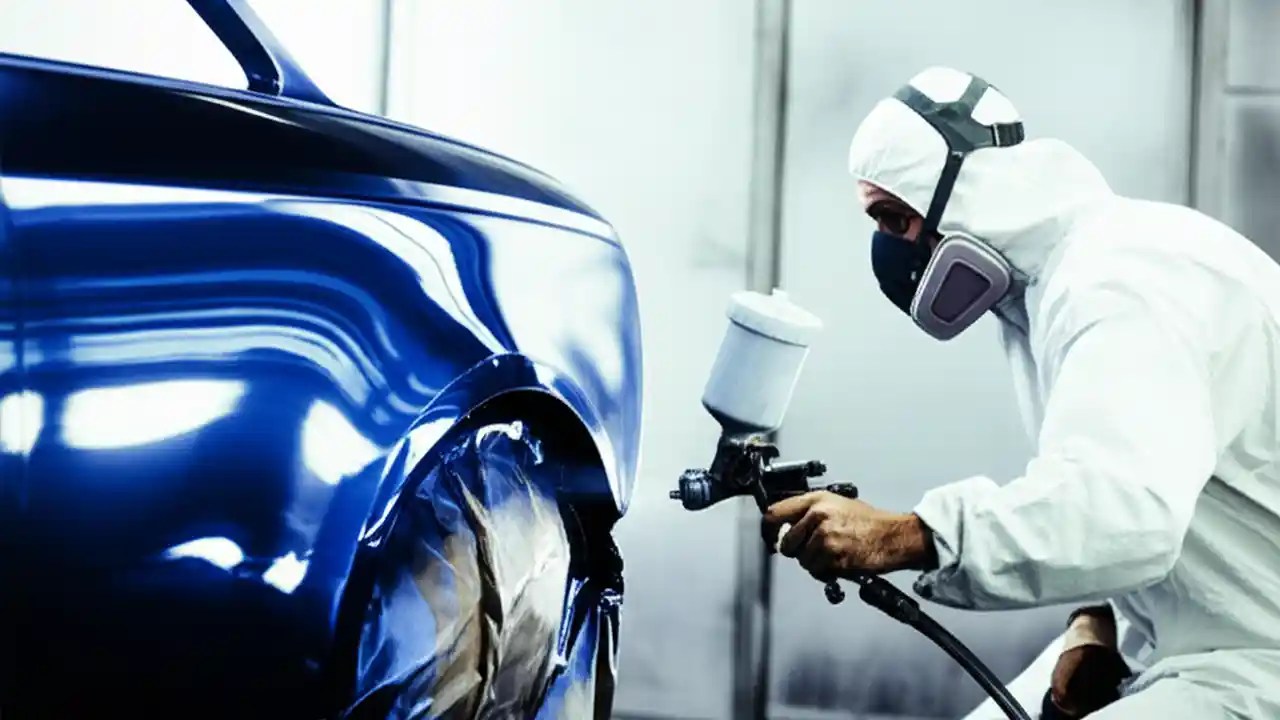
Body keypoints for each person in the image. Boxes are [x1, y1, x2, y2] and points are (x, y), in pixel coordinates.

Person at [760, 66, 1280, 719]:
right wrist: (1096, 625)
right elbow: (1152, 484)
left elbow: (1128, 513)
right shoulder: (1054, 286)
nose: (888, 253)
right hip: (1179, 645)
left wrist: (901, 535)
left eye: (894, 221)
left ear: (964, 195)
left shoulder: (1120, 280)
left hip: (1256, 664)